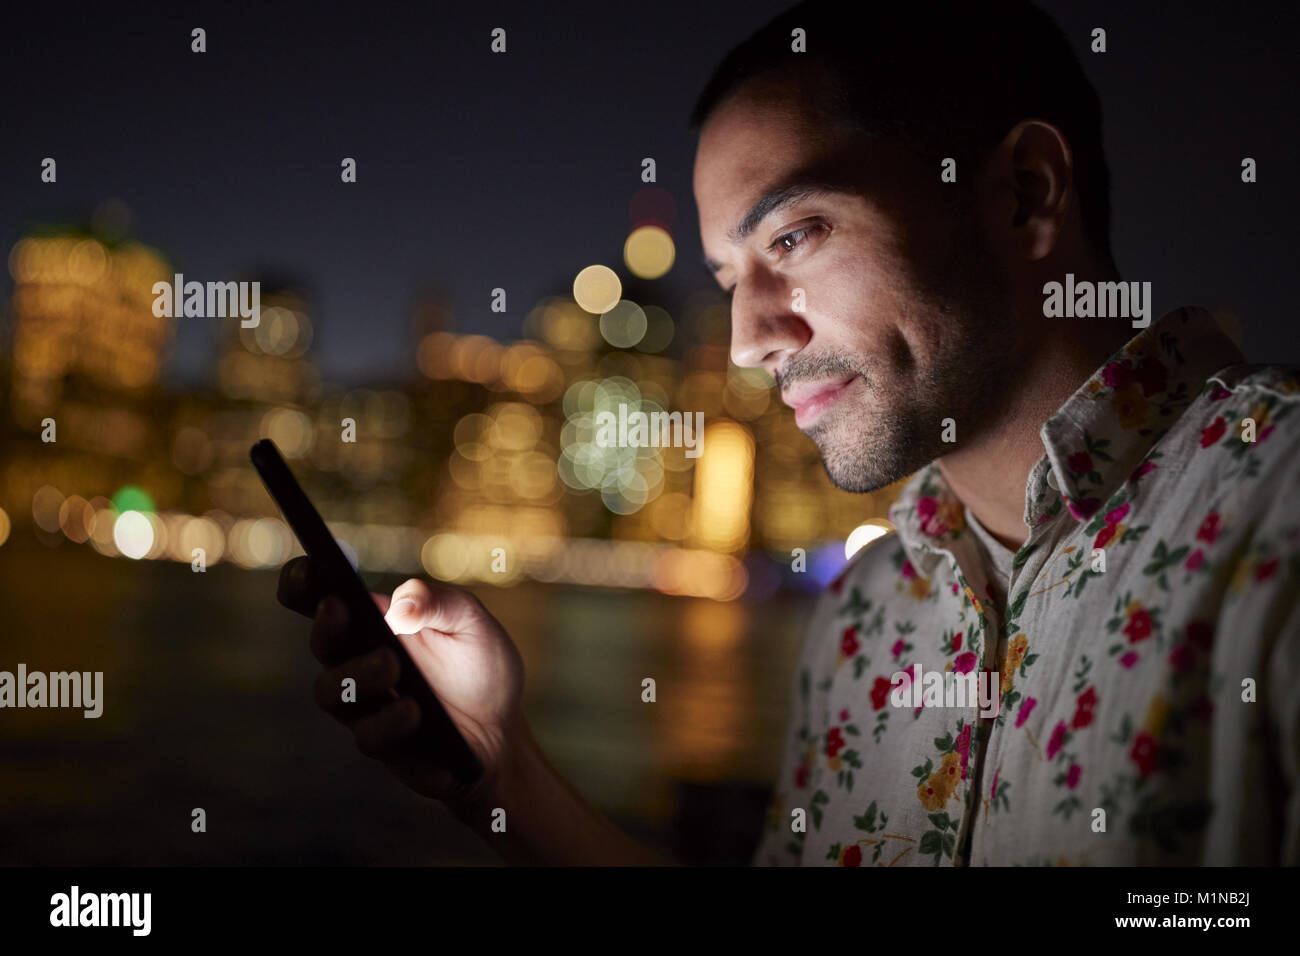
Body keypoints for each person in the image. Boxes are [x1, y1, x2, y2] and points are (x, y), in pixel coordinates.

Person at [278, 0, 1300, 865]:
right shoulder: (865, 616)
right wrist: (502, 770)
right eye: (730, 279)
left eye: (794, 235)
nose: (749, 341)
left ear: (1025, 193)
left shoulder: (1281, 514)